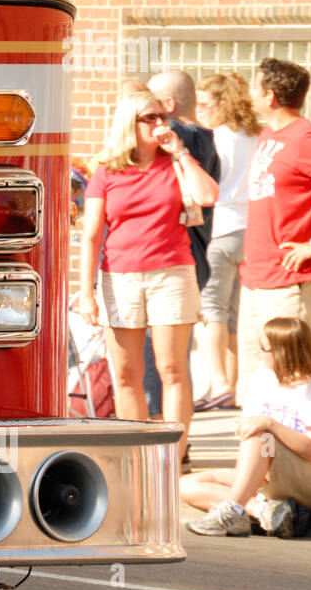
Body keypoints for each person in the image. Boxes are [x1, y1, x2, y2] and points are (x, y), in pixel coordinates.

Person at [79, 88, 219, 461]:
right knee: (126, 375)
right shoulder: (107, 171)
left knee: (172, 369)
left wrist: (181, 152)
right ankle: (136, 459)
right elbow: (91, 235)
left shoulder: (173, 163)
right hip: (119, 277)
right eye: (151, 118)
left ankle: (173, 458)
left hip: (171, 273)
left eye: (163, 117)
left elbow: (207, 195)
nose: (161, 124)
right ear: (131, 123)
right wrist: (87, 290)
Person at [181, 316, 311, 536]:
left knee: (261, 434)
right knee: (185, 485)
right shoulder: (262, 379)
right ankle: (266, 511)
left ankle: (233, 511)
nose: (260, 354)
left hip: (306, 473)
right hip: (266, 472)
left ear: (282, 351)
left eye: (264, 348)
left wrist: (270, 424)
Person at [140, 70, 219, 425]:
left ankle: (165, 435)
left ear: (168, 106)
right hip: (179, 258)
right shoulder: (196, 140)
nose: (149, 121)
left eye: (154, 110)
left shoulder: (193, 138)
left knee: (163, 360)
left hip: (179, 260)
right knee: (170, 357)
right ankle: (172, 438)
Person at [237, 58, 311, 386]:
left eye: (254, 87)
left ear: (270, 96)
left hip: (289, 282)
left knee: (294, 378)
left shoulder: (306, 137)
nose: (251, 95)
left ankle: (300, 439)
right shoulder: (268, 134)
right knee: (259, 380)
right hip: (256, 277)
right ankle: (263, 438)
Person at [192, 72, 262, 410]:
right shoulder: (254, 135)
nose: (201, 109)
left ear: (222, 102)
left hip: (220, 228)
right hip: (249, 230)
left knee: (211, 311)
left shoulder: (217, 136)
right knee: (231, 314)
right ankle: (231, 388)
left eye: (206, 103)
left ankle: (217, 383)